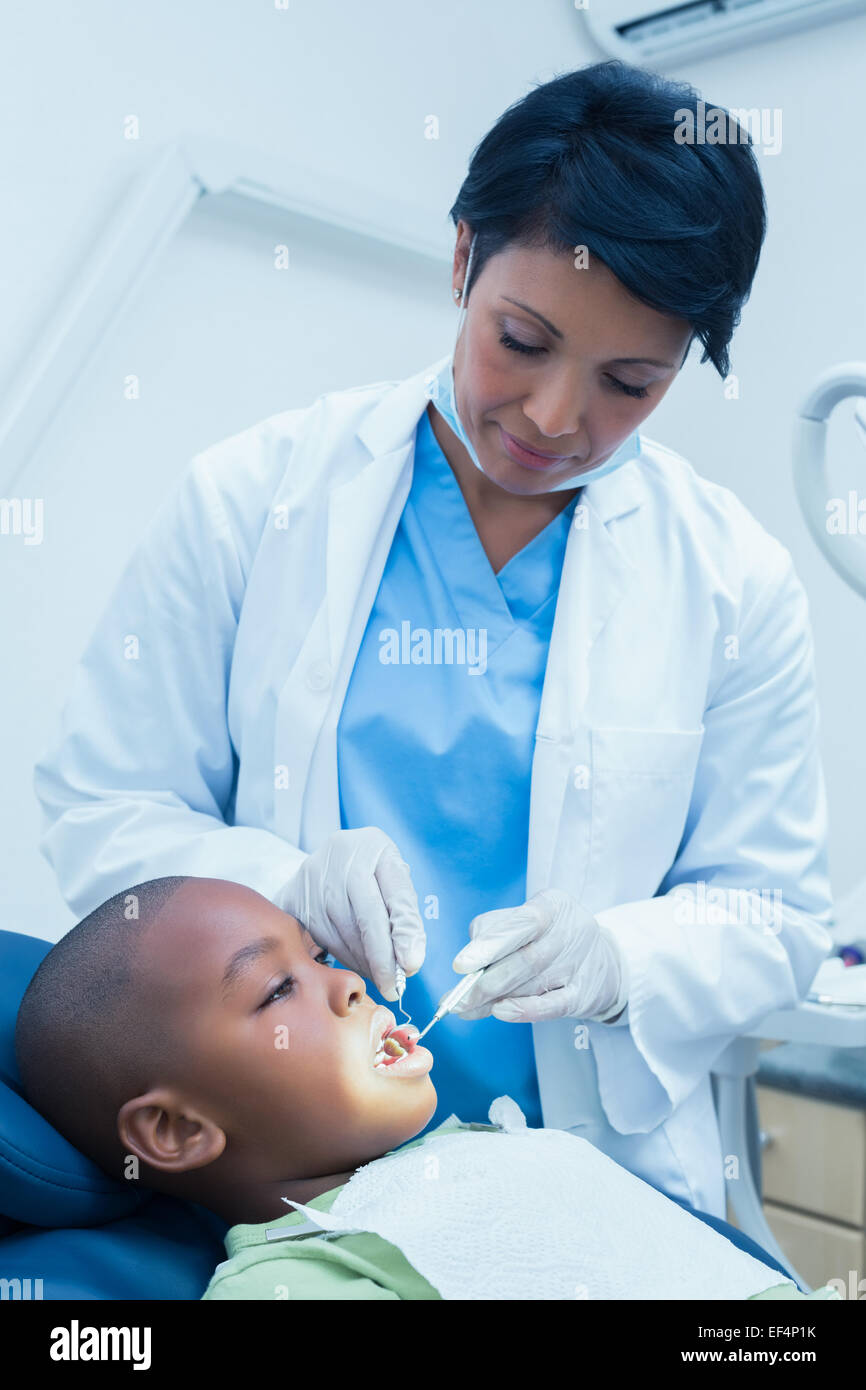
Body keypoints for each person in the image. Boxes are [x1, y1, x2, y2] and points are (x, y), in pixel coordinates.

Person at [33, 60, 832, 1218]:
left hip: (598, 1176)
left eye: (627, 381)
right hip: (306, 1188)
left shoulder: (731, 581)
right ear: (462, 260)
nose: (555, 418)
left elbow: (775, 914)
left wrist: (620, 960)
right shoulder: (252, 501)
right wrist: (284, 887)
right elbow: (103, 811)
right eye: (520, 339)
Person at [14, 877, 839, 1301]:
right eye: (276, 991)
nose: (348, 986)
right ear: (176, 1130)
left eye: (322, 957)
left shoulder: (484, 1157)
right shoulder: (296, 1279)